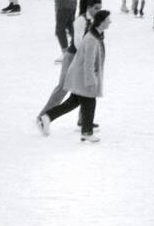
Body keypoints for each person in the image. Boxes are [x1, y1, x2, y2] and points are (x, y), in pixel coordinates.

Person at [39, 10, 109, 140]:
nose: (110, 22)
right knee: (89, 101)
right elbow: (88, 62)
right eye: (108, 20)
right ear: (101, 22)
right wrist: (91, 80)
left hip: (81, 75)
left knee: (73, 102)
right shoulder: (92, 39)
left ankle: (47, 116)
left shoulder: (96, 35)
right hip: (84, 76)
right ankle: (87, 132)